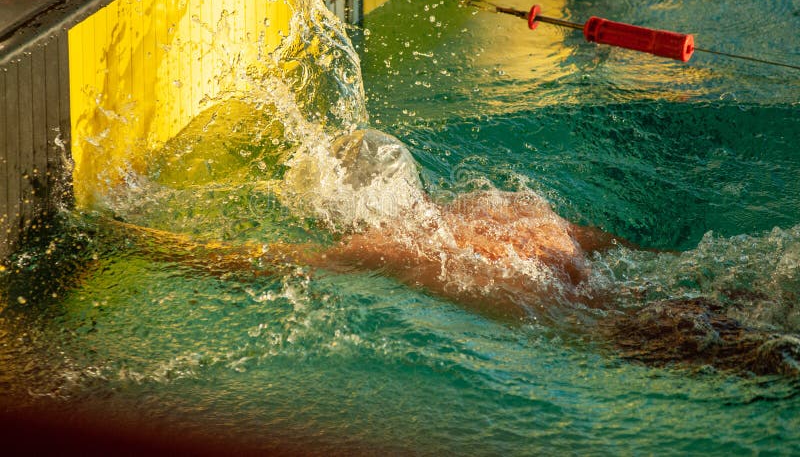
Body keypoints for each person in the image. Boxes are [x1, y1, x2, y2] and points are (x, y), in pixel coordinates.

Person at [109, 128, 800, 376]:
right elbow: (636, 252)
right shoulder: (503, 204)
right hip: (636, 289)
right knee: (747, 323)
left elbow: (263, 261)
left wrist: (137, 239)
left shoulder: (386, 246)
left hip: (605, 327)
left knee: (760, 362)